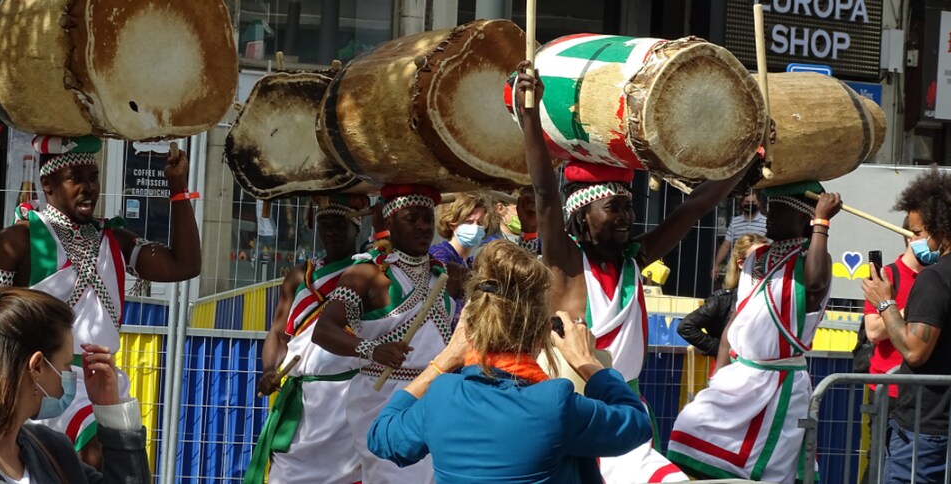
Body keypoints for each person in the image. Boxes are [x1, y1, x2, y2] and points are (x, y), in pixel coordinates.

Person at [517, 62, 763, 482]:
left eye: (629, 207)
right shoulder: (564, 262)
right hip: (572, 411)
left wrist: (746, 157)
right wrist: (530, 118)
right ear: (581, 216)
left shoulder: (635, 257)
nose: (626, 217)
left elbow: (694, 207)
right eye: (613, 208)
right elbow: (544, 193)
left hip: (623, 409)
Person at [367, 240, 652, 483]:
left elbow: (381, 437)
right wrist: (587, 361)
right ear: (540, 333)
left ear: (470, 328)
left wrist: (443, 360)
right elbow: (637, 425)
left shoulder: (441, 397)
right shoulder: (555, 404)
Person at [0, 135, 201, 466]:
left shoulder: (116, 239)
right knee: (100, 456)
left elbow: (184, 265)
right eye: (75, 178)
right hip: (42, 382)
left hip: (105, 381)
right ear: (47, 185)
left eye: (93, 177)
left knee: (129, 462)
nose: (89, 187)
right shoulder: (20, 240)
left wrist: (177, 188)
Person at [667, 182, 841, 483]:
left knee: (770, 474)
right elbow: (736, 317)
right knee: (687, 433)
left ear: (803, 216)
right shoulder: (756, 256)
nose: (768, 214)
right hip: (738, 379)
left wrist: (821, 222)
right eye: (769, 207)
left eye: (779, 208)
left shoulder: (815, 260)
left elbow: (813, 283)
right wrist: (718, 374)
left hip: (779, 384)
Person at [313, 184, 464, 484]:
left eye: (428, 218)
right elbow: (323, 330)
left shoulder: (449, 276)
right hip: (381, 401)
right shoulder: (367, 273)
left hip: (436, 399)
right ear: (389, 223)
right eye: (412, 218)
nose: (423, 226)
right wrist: (372, 350)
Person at [244, 195, 370, 484]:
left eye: (339, 224)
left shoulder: (370, 273)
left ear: (356, 227)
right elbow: (278, 333)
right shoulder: (299, 276)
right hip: (304, 398)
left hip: (351, 395)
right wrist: (269, 370)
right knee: (287, 473)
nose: (331, 231)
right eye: (325, 225)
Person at [861, 168, 951, 483]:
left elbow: (915, 351)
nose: (913, 240)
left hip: (926, 428)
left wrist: (885, 303)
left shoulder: (937, 277)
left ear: (940, 228)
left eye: (918, 233)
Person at [0, 287, 150, 482]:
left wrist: (112, 411)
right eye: (67, 364)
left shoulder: (51, 449)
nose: (71, 376)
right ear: (36, 367)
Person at [678, 233, 768, 357]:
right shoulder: (723, 300)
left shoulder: (775, 297)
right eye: (757, 258)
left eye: (767, 257)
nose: (764, 263)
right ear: (741, 264)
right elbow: (686, 327)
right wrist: (722, 351)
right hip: (732, 369)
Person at [712, 190, 767, 281]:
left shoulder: (765, 222)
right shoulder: (735, 222)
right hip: (737, 267)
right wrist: (716, 265)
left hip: (759, 266)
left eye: (753, 202)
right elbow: (726, 246)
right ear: (742, 203)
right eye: (747, 202)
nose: (750, 205)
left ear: (758, 204)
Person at [428, 192, 490, 269]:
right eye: (468, 222)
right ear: (452, 223)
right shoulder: (439, 256)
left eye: (480, 223)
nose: (475, 227)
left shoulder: (471, 265)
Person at [481, 186, 541, 254]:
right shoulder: (492, 247)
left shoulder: (538, 243)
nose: (526, 213)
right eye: (519, 208)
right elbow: (523, 262)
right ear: (500, 209)